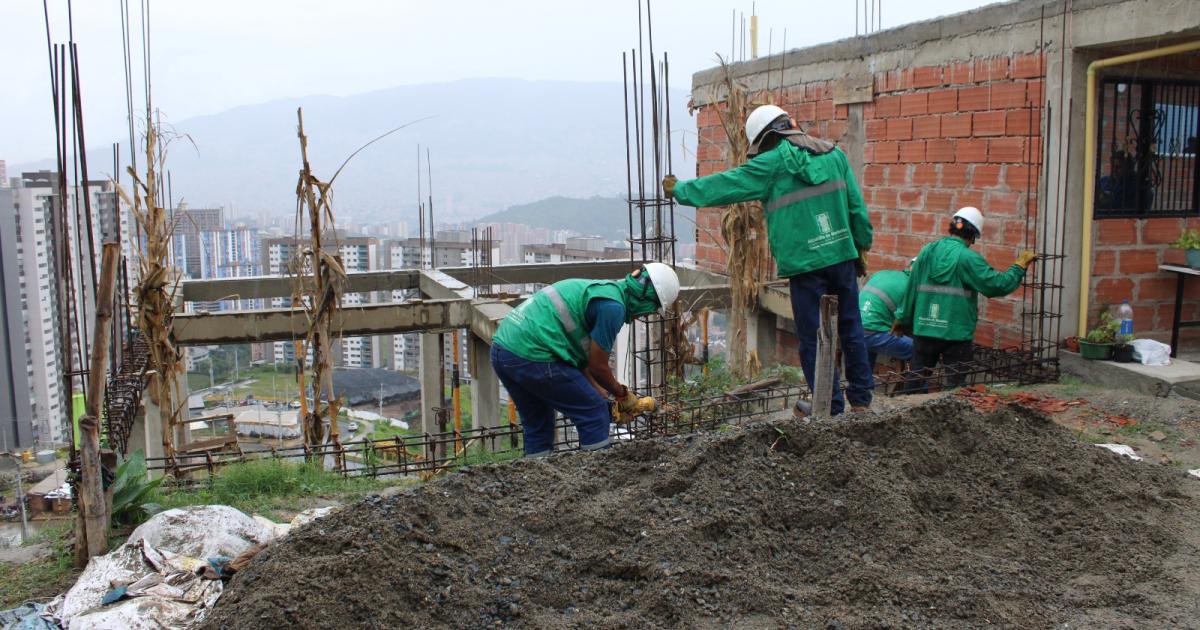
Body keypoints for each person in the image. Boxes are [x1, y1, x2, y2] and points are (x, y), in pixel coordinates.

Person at [663, 104, 873, 417]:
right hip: (842, 255)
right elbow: (856, 207)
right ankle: (861, 400)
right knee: (851, 326)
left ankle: (828, 407)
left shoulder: (771, 164)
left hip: (805, 267)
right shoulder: (834, 155)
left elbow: (724, 185)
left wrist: (680, 189)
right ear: (790, 124)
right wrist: (862, 245)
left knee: (813, 337)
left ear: (765, 140)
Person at [490, 263, 680, 456]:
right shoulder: (613, 308)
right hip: (532, 353)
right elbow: (598, 367)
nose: (647, 314)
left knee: (538, 424)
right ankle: (596, 480)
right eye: (653, 308)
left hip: (504, 351)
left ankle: (535, 481)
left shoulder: (605, 291)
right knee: (594, 413)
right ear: (646, 298)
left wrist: (600, 392)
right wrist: (622, 394)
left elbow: (582, 360)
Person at [893, 206, 1037, 389]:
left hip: (924, 329)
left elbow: (911, 287)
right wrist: (1019, 267)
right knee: (955, 389)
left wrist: (901, 318)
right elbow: (996, 285)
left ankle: (909, 415)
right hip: (956, 334)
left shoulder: (926, 251)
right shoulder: (968, 258)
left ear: (953, 227)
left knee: (914, 382)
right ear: (973, 235)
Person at [860, 262, 914, 370]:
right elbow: (907, 320)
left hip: (854, 329)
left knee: (863, 374)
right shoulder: (912, 286)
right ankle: (915, 387)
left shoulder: (882, 273)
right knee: (919, 352)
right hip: (873, 332)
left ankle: (864, 386)